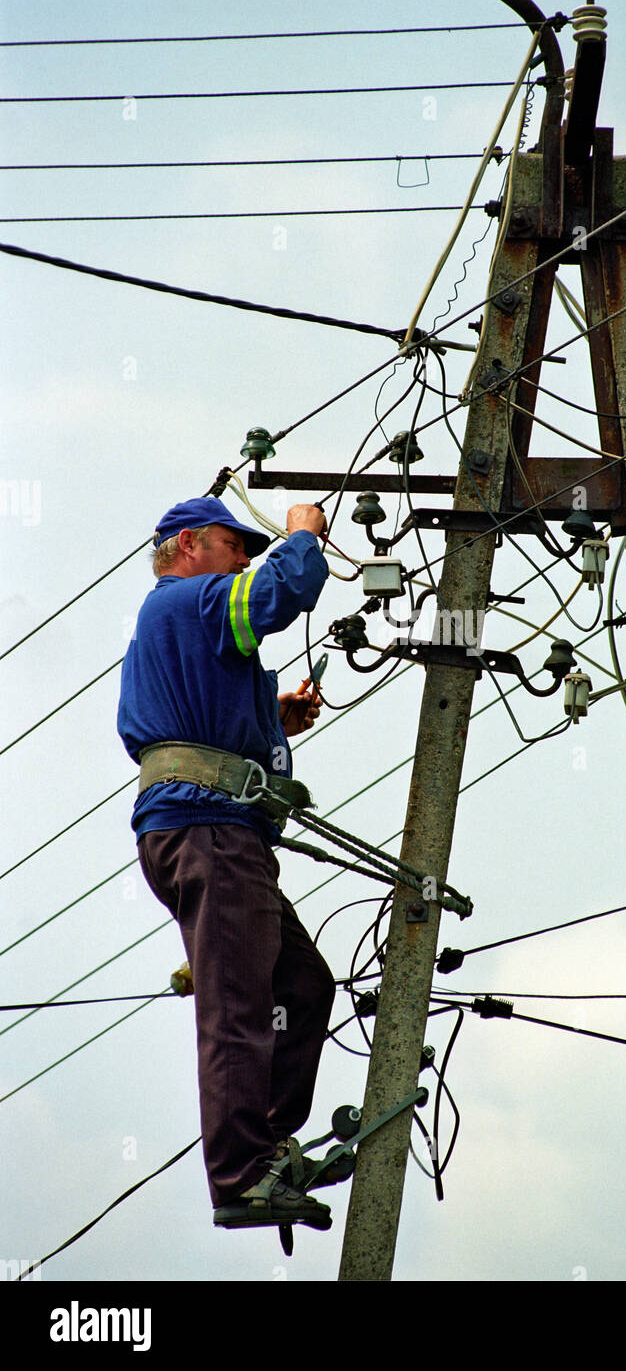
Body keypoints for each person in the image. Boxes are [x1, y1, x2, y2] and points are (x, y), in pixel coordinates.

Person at [117, 494, 336, 1234]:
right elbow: (282, 592)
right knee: (240, 1006)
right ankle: (244, 1175)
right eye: (231, 544)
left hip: (212, 833)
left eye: (250, 546)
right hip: (209, 831)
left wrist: (270, 720)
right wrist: (302, 536)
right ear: (188, 547)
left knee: (300, 986)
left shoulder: (185, 620)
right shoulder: (192, 599)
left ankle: (267, 1146)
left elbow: (195, 717)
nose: (243, 557)